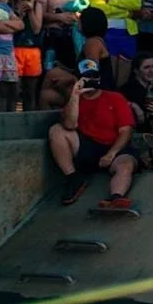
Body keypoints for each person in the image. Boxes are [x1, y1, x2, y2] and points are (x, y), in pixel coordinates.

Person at [48, 58, 140, 211]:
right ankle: (73, 178)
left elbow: (126, 131)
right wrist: (75, 96)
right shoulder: (75, 100)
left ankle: (116, 197)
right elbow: (70, 125)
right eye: (87, 77)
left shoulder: (114, 98)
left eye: (94, 76)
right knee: (56, 130)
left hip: (114, 146)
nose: (91, 80)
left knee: (125, 165)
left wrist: (112, 153)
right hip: (88, 146)